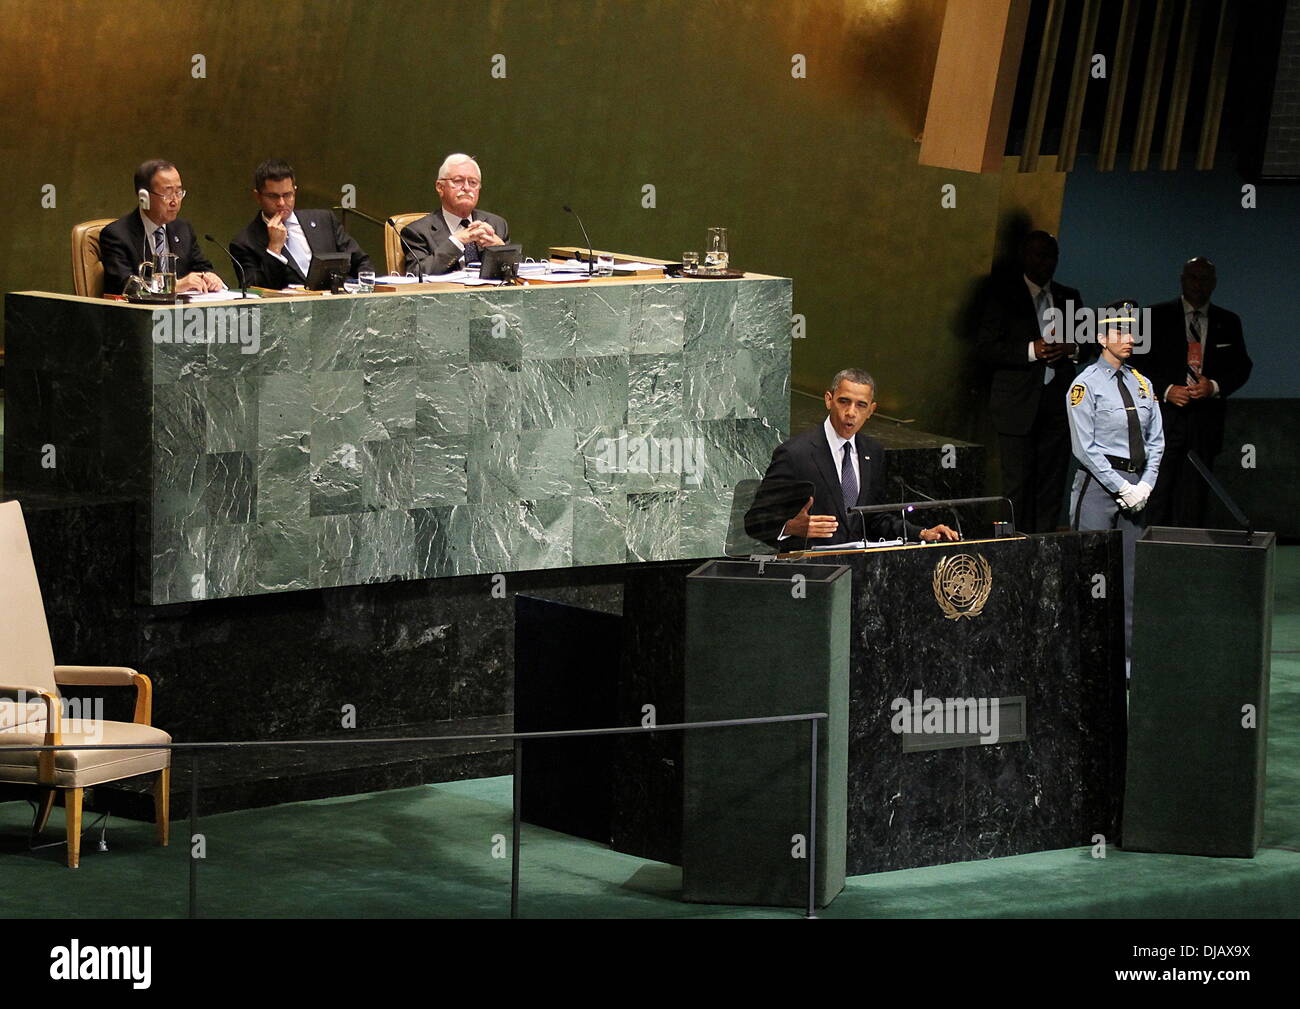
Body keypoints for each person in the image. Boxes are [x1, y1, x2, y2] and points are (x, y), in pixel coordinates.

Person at [746, 368, 960, 549]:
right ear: (829, 400)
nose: (851, 412)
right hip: (810, 576)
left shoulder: (873, 452)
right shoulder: (795, 454)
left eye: (861, 405)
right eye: (844, 402)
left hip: (858, 573)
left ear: (871, 410)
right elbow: (754, 522)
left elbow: (874, 518)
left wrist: (921, 534)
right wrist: (790, 527)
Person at [1067, 303, 1164, 665]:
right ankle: (1086, 657)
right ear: (1101, 337)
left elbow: (1156, 440)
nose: (1130, 339)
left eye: (1132, 332)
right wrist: (1119, 486)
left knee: (1130, 576)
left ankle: (1126, 661)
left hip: (1136, 485)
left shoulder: (1142, 383)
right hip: (1098, 485)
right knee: (1091, 570)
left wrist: (1145, 483)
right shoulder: (1084, 385)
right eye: (1121, 332)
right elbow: (1084, 447)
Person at [976, 230, 1083, 533]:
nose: (1046, 262)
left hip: (1058, 405)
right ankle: (1013, 551)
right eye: (1038, 254)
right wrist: (1031, 351)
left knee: (1051, 482)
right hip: (1015, 406)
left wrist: (1071, 348)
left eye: (1051, 256)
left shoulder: (1069, 297)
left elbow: (1086, 345)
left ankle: (1044, 547)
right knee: (1017, 486)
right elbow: (985, 347)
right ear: (1025, 256)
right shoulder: (1002, 297)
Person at [1143, 257, 1253, 527]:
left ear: (1214, 283)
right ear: (1182, 280)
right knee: (1157, 491)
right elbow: (1138, 365)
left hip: (1205, 422)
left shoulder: (1229, 321)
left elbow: (1241, 367)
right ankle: (1151, 554)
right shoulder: (1155, 316)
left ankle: (1187, 558)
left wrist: (1213, 386)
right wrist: (1167, 390)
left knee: (1194, 499)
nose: (1198, 284)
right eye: (1193, 277)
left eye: (1205, 279)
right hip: (1164, 419)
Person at [229, 158, 373, 289]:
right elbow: (254, 292)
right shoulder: (244, 243)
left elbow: (361, 262)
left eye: (287, 195)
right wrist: (274, 249)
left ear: (295, 191)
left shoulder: (324, 220)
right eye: (273, 196)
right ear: (257, 197)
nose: (281, 203)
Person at [99, 160, 224, 296]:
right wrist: (172, 286)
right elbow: (125, 285)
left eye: (179, 192)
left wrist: (209, 277)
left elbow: (201, 266)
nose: (175, 201)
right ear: (144, 197)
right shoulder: (117, 235)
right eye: (168, 194)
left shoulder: (183, 229)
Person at [400, 154, 509, 275]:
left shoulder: (497, 224)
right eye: (458, 181)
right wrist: (457, 241)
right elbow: (416, 275)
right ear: (440, 187)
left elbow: (517, 276)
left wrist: (502, 250)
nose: (467, 188)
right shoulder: (417, 232)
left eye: (473, 182)